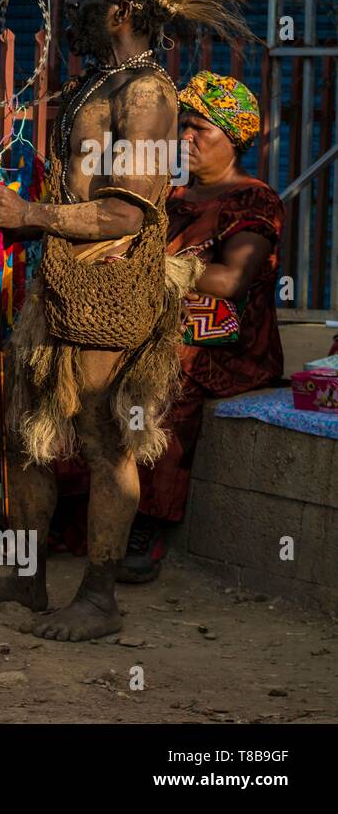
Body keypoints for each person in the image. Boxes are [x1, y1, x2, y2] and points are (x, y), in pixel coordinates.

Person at [0, 0, 251, 640]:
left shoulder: (150, 97)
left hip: (112, 287)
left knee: (102, 439)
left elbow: (128, 215)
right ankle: (26, 581)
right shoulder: (100, 83)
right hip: (61, 280)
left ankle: (99, 597)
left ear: (122, 8)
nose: (79, 8)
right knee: (25, 436)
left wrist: (30, 215)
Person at [123, 71, 283, 581]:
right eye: (184, 127)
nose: (186, 138)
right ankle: (74, 509)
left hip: (225, 343)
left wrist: (156, 269)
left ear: (233, 140)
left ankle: (150, 519)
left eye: (201, 129)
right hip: (162, 325)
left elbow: (233, 282)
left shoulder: (253, 201)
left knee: (170, 378)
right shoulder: (170, 197)